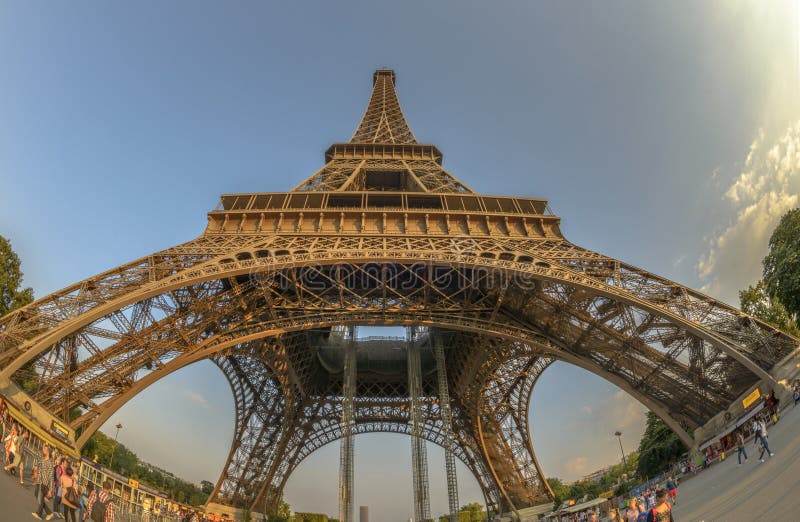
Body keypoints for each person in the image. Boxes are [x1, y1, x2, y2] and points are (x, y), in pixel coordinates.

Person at [32, 444, 55, 520]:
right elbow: (38, 466)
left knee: (40, 498)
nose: (43, 450)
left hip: (45, 484)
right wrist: (35, 475)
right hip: (39, 481)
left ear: (48, 452)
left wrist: (50, 490)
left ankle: (39, 513)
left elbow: (51, 477)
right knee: (36, 495)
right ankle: (49, 513)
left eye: (44, 450)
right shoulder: (42, 459)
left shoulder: (50, 463)